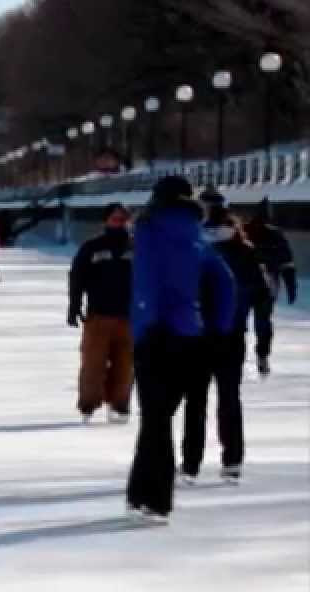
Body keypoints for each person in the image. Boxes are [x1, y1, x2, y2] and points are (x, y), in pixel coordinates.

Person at [126, 176, 236, 524]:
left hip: (155, 335)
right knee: (161, 417)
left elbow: (147, 282)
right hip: (193, 337)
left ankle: (155, 499)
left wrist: (146, 323)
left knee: (155, 418)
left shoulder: (147, 231)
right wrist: (218, 328)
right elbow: (226, 285)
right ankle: (140, 493)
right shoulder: (199, 237)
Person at [181, 203, 272, 485]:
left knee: (195, 400)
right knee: (229, 398)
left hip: (199, 335)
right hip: (232, 336)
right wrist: (262, 345)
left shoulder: (194, 252)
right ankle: (232, 460)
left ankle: (191, 464)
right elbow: (262, 301)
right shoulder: (247, 254)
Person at [68, 203, 135, 423]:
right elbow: (77, 277)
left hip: (129, 318)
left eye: (122, 218)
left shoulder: (137, 247)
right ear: (105, 220)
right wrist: (74, 305)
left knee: (125, 366)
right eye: (114, 218)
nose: (118, 222)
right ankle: (89, 404)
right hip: (99, 315)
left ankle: (120, 405)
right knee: (93, 365)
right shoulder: (92, 247)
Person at [245, 197, 297, 378]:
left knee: (236, 322)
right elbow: (287, 262)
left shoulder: (245, 231)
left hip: (244, 284)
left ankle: (232, 354)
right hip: (267, 284)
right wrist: (291, 286)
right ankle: (262, 355)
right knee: (263, 322)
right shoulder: (276, 234)